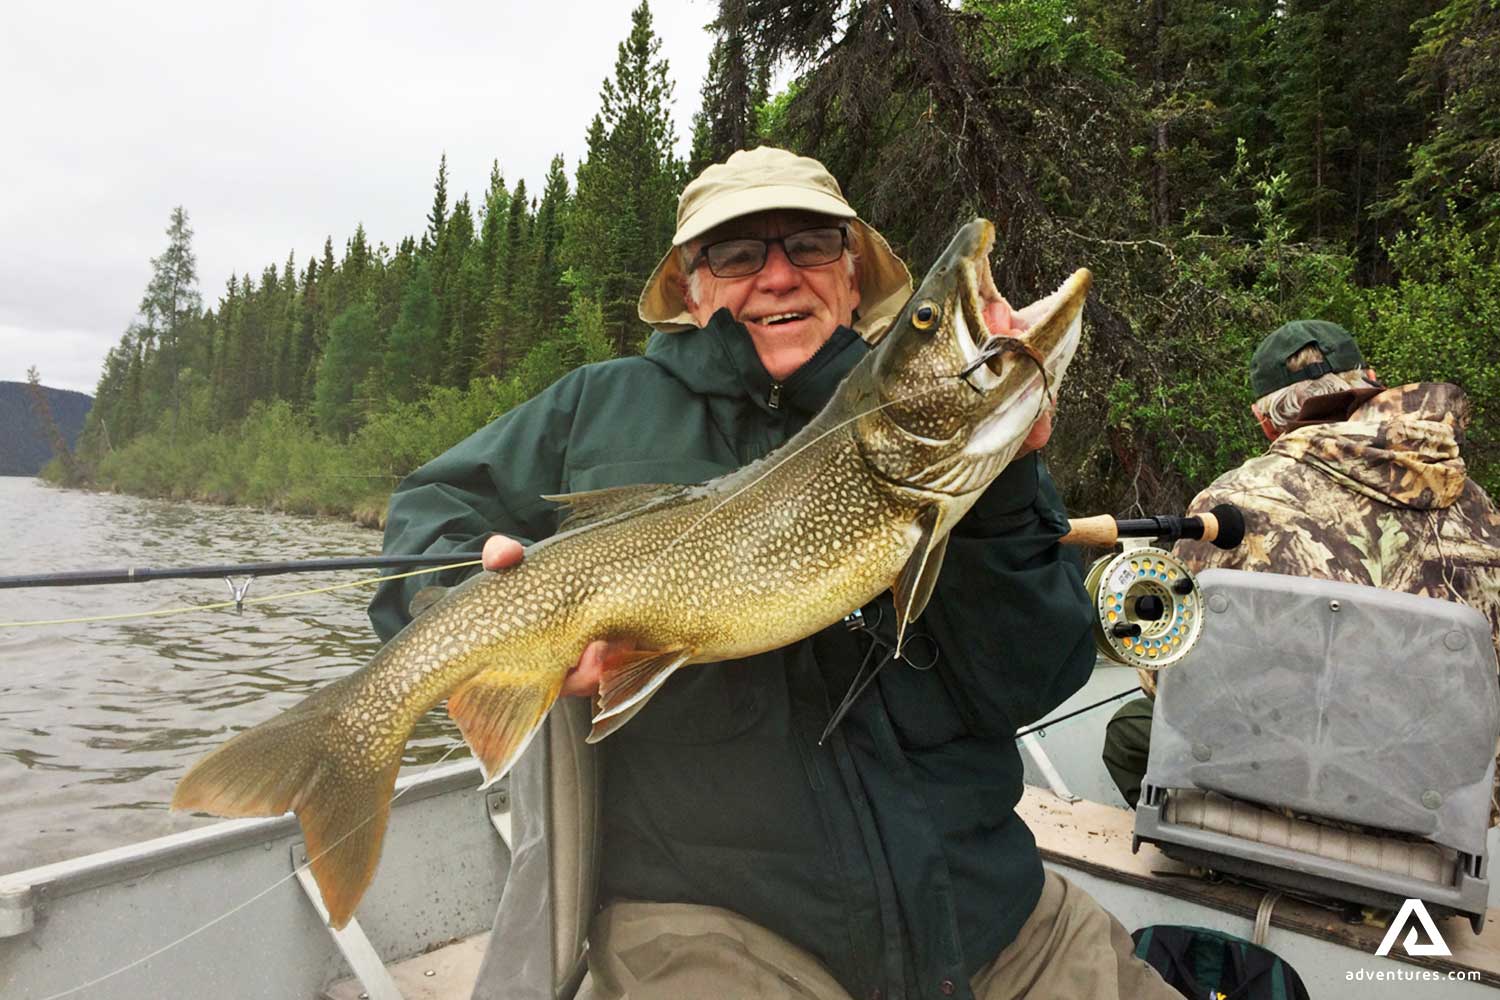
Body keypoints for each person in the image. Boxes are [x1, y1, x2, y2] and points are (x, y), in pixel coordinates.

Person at [372, 147, 1176, 1000]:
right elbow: (429, 512)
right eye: (736, 253)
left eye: (811, 245)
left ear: (853, 275)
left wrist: (1009, 478)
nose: (779, 275)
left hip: (991, 916)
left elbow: (1036, 678)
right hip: (711, 930)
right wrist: (470, 606)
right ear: (691, 288)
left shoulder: (952, 450)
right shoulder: (594, 408)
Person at [1102, 319, 1500, 812]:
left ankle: (1220, 851)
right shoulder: (1478, 507)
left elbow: (1166, 674)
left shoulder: (1233, 501)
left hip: (1282, 790)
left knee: (1132, 729)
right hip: (1436, 798)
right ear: (1371, 384)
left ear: (1267, 421)